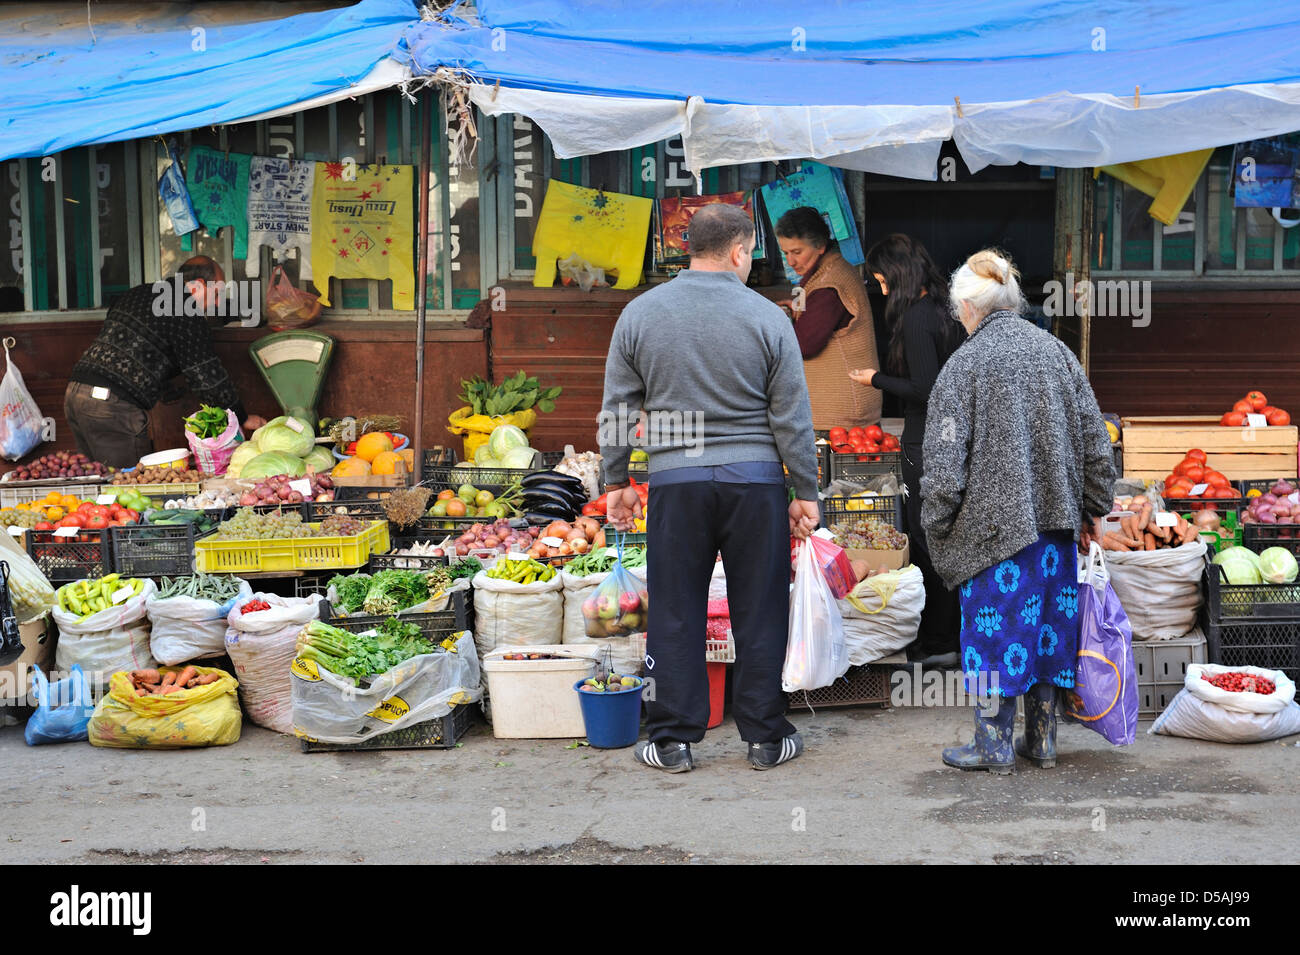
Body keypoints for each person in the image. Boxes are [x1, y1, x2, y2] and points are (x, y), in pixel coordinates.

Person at [600, 203, 821, 774]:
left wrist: (617, 479)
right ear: (740, 251)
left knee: (675, 610)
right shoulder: (769, 318)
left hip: (677, 482)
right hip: (755, 484)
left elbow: (618, 408)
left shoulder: (640, 314)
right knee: (760, 608)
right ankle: (766, 738)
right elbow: (792, 415)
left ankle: (672, 741)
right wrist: (805, 491)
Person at [921, 249, 1114, 774]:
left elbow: (942, 467)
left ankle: (993, 746)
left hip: (991, 536)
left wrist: (937, 527)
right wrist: (1093, 511)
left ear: (966, 306)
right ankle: (1042, 741)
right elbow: (1098, 446)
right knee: (1047, 632)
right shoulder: (1057, 355)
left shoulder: (964, 366)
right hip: (1056, 533)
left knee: (994, 635)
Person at [849, 234, 967, 667]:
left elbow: (926, 388)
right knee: (946, 536)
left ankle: (940, 642)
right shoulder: (946, 308)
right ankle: (950, 635)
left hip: (926, 440)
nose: (881, 292)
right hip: (952, 438)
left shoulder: (918, 318)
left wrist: (874, 380)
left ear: (898, 277)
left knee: (925, 536)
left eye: (882, 282)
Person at [64, 256, 265, 469]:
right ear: (200, 285)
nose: (217, 303)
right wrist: (241, 416)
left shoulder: (139, 293)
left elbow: (134, 345)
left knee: (98, 479)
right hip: (111, 407)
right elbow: (207, 378)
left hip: (75, 395)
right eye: (217, 294)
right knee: (128, 486)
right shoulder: (186, 311)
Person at [774, 206, 882, 431]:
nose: (791, 261)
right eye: (785, 253)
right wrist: (795, 308)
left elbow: (804, 344)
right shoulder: (821, 272)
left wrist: (776, 322)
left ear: (820, 246)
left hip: (843, 415)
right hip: (838, 409)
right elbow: (803, 298)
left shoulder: (830, 285)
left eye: (797, 251)